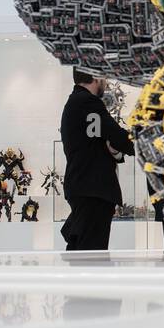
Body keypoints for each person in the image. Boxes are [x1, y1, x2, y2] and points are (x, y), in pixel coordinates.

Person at [60, 68, 134, 251]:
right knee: (91, 253)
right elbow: (116, 135)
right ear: (94, 76)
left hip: (86, 188)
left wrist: (115, 150)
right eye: (104, 76)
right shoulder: (87, 102)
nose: (106, 81)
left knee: (83, 248)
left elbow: (100, 140)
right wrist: (146, 144)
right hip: (92, 189)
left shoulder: (77, 102)